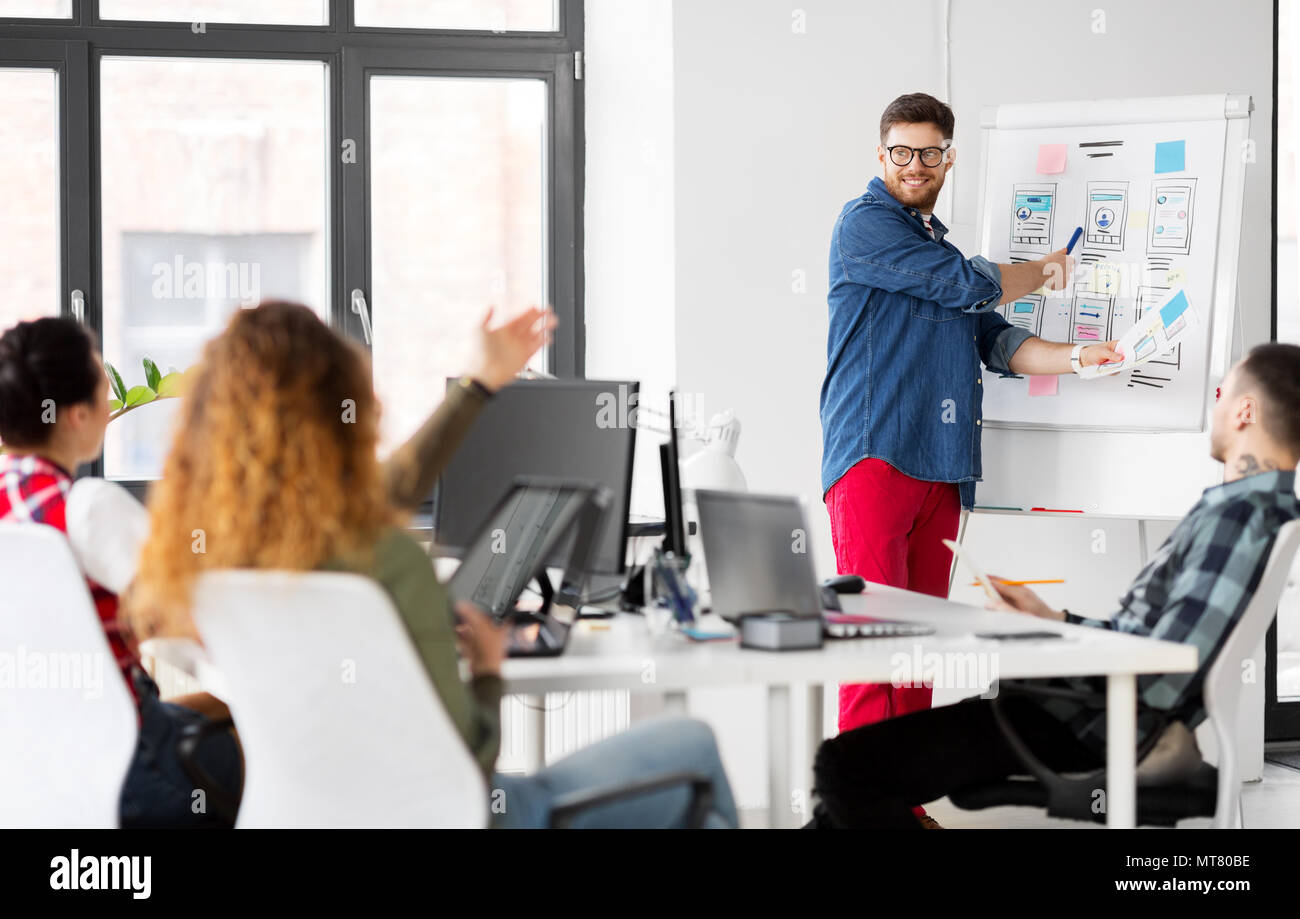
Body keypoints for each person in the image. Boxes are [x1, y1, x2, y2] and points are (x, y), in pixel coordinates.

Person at [124, 301, 739, 829]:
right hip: (460, 816)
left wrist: (480, 383)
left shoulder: (208, 571)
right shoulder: (386, 563)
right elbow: (471, 760)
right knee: (694, 744)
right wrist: (488, 671)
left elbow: (386, 491)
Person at [809, 344, 1300, 828]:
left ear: (1246, 411)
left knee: (844, 767)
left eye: (1222, 393)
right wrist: (1055, 621)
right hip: (1085, 709)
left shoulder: (1239, 517)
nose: (1214, 404)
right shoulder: (1257, 511)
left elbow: (1164, 667)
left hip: (1089, 721)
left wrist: (1051, 650)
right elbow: (1158, 645)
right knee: (841, 802)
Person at [819, 92, 1123, 825]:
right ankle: (856, 814)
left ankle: (904, 804)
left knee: (918, 646)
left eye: (930, 152)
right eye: (901, 151)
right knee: (872, 644)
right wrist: (1044, 271)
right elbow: (967, 285)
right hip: (875, 456)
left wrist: (1084, 357)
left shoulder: (937, 245)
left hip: (943, 467)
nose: (915, 165)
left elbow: (995, 338)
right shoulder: (864, 225)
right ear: (880, 155)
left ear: (949, 157)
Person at [0, 317, 240, 827]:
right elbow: (187, 628)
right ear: (79, 415)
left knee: (212, 707)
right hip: (129, 772)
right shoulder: (86, 508)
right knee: (264, 742)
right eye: (102, 385)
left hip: (29, 775)